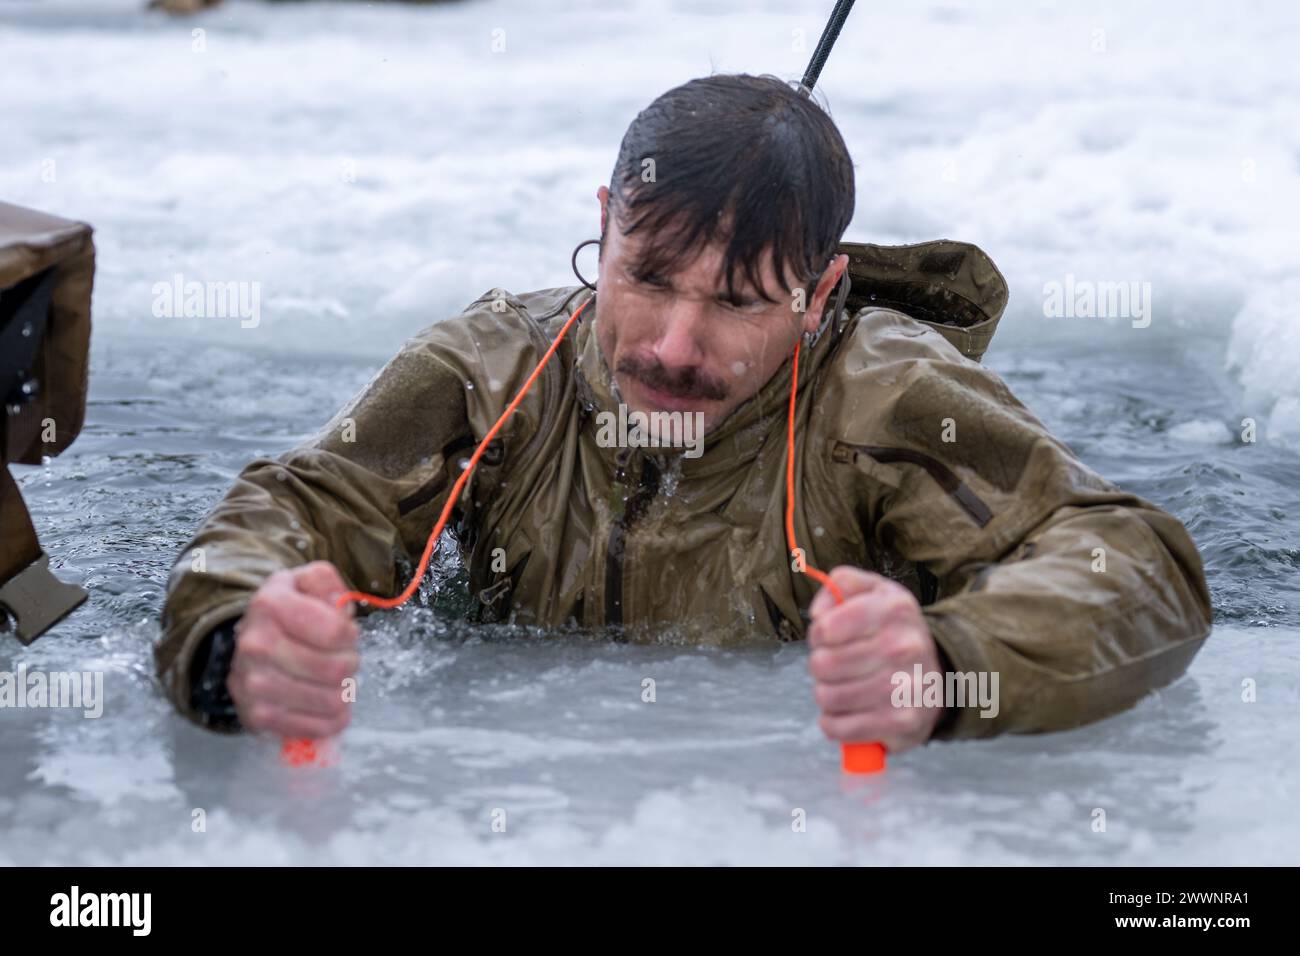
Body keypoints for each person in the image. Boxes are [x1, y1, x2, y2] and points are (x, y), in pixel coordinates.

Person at [156, 73, 1212, 754]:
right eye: (648, 275)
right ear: (603, 223)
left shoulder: (887, 395)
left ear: (819, 290)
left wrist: (947, 662)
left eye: (741, 301)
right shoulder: (488, 368)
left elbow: (1136, 560)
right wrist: (233, 633)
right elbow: (295, 501)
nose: (671, 345)